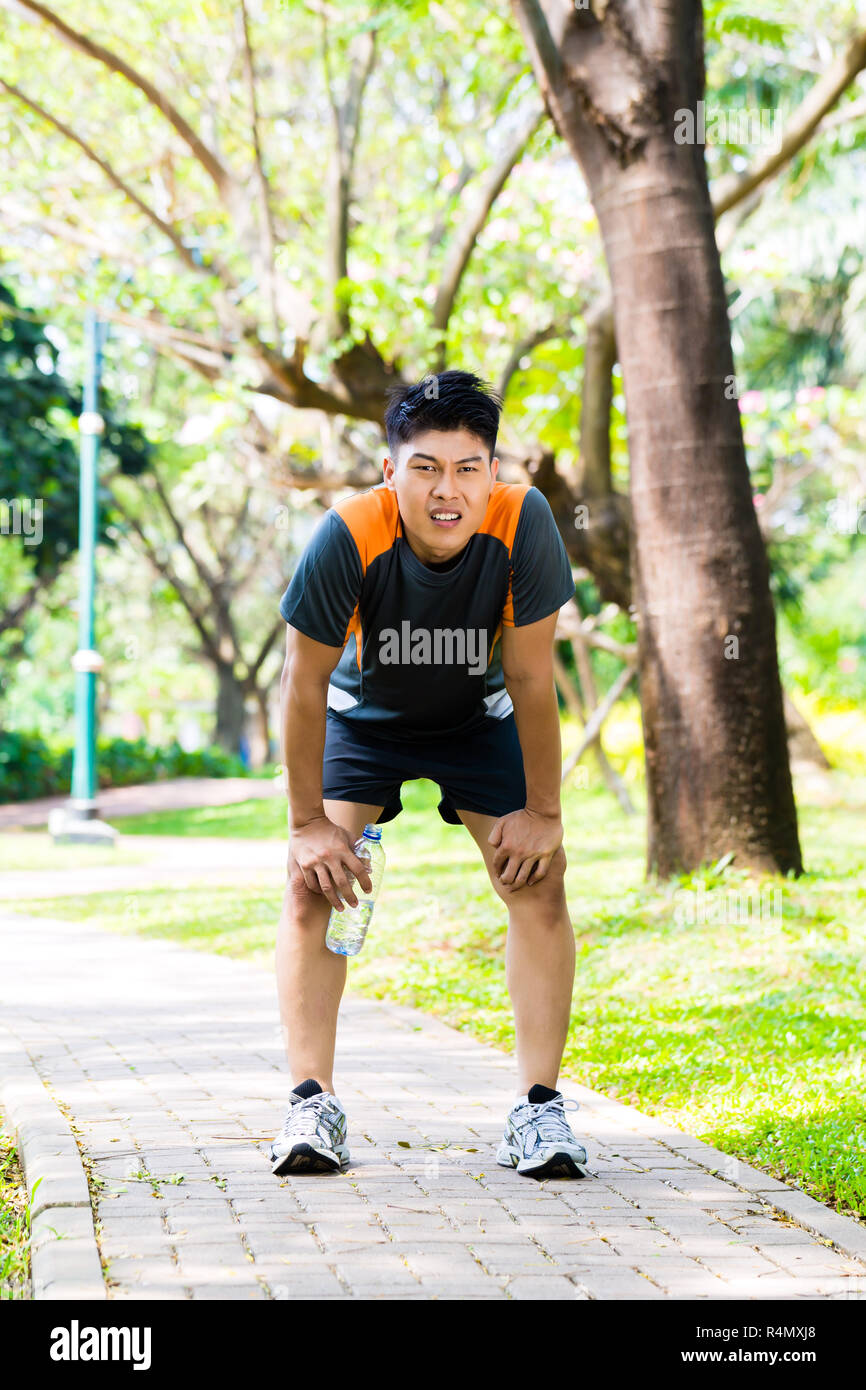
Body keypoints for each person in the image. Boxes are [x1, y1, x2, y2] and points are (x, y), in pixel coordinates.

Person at [271, 369, 588, 1181]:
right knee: (312, 882)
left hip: (475, 723)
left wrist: (544, 813)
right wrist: (309, 824)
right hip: (362, 723)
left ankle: (541, 1110)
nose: (447, 491)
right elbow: (302, 684)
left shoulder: (525, 521)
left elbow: (529, 679)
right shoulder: (348, 533)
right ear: (390, 472)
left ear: (493, 472)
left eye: (467, 468)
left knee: (538, 881)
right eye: (425, 467)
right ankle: (311, 1102)